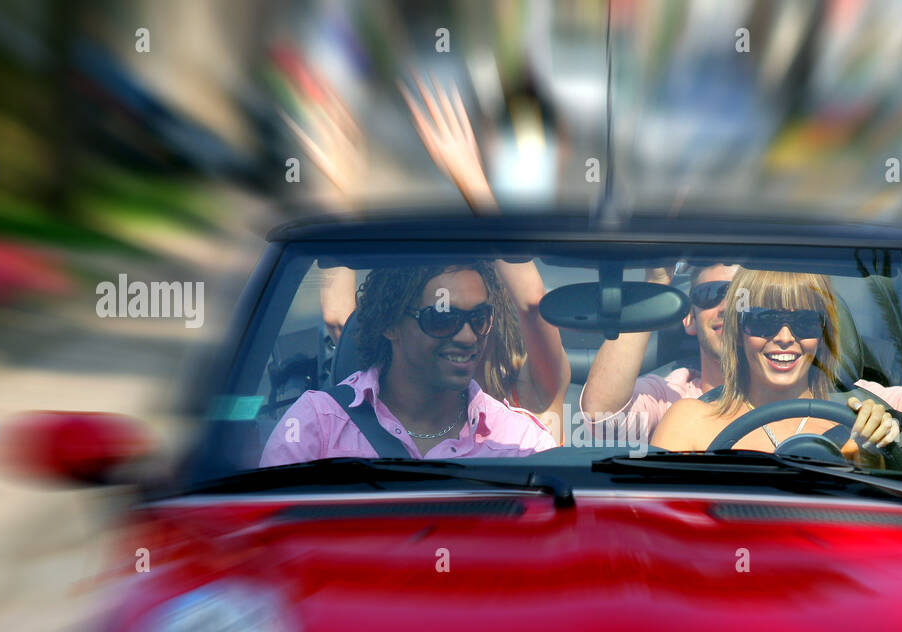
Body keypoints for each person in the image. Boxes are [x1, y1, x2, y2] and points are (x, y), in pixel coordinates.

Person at [310, 77, 570, 432]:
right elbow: (340, 317)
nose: (462, 334)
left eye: (478, 317)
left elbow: (532, 301)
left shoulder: (532, 394)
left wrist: (470, 178)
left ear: (492, 321)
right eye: (440, 316)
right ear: (397, 327)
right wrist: (339, 198)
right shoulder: (385, 396)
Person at [650, 269, 902, 462]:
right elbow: (658, 530)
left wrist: (890, 435)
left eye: (804, 323)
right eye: (764, 321)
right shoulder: (688, 420)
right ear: (738, 331)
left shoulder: (861, 413)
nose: (785, 337)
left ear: (824, 334)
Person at [260, 261, 556, 464]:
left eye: (479, 319)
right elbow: (265, 540)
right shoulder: (316, 426)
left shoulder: (522, 444)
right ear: (390, 324)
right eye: (442, 318)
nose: (468, 337)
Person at [580, 262, 739, 436]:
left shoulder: (774, 395)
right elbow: (602, 415)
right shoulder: (669, 398)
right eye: (710, 294)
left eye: (741, 298)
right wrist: (655, 283)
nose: (726, 308)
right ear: (690, 319)